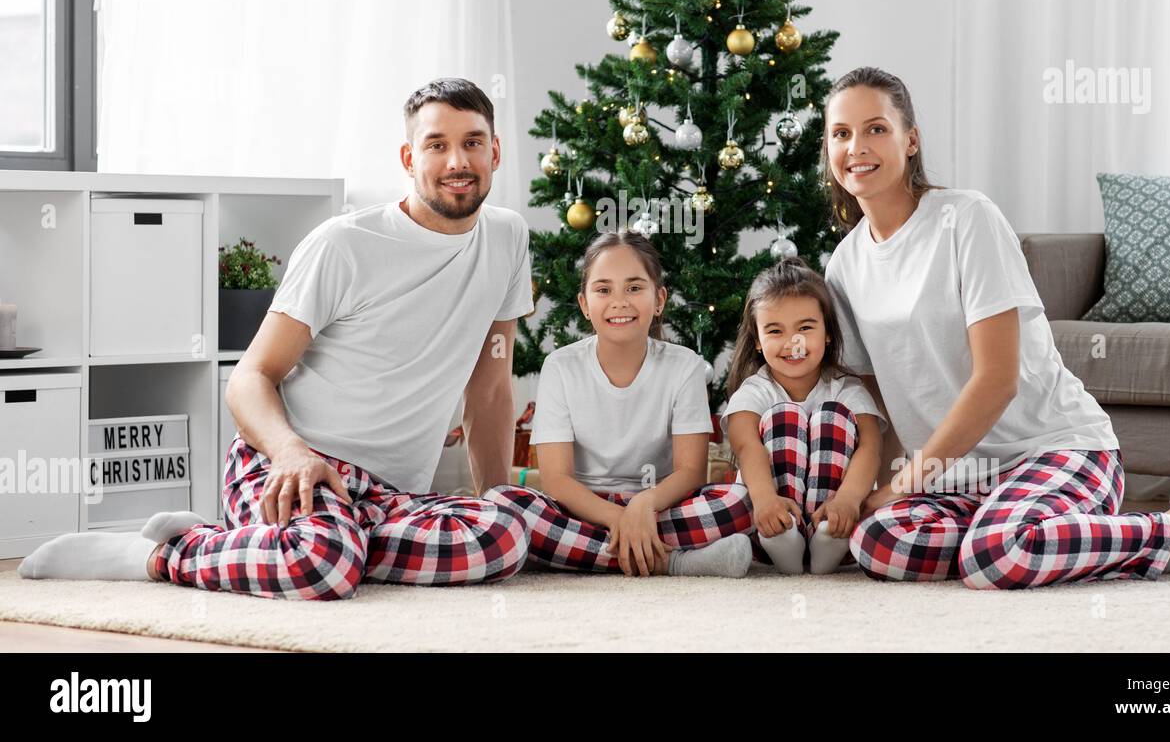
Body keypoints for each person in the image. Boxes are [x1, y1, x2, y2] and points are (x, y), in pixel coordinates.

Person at [21, 78, 536, 598]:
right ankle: (163, 551)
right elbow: (249, 377)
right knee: (321, 568)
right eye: (436, 145)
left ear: (494, 151)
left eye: (472, 142)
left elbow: (490, 389)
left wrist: (495, 501)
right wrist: (290, 452)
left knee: (509, 535)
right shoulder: (344, 245)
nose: (457, 162)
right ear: (408, 158)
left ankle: (332, 541)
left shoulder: (508, 237)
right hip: (288, 463)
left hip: (391, 494)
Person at [820, 66, 1170, 587]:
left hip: (1057, 449)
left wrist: (906, 483)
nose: (856, 146)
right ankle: (1062, 542)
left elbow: (997, 381)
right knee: (879, 543)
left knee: (996, 556)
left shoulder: (966, 219)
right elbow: (877, 403)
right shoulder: (844, 266)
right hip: (961, 479)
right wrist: (869, 496)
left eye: (876, 128)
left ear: (910, 141)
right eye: (841, 133)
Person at [484, 231, 753, 578]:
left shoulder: (685, 366)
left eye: (634, 288)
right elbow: (556, 480)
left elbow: (691, 472)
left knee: (740, 502)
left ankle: (581, 552)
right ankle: (670, 561)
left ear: (659, 300)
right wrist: (619, 519)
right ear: (584, 304)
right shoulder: (561, 367)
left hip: (659, 508)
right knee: (501, 502)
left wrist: (642, 505)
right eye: (604, 289)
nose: (619, 301)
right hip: (583, 509)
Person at [721, 257, 884, 574]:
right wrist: (766, 501)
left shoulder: (845, 389)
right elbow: (746, 447)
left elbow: (871, 447)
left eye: (805, 328)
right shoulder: (755, 391)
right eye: (774, 331)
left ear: (827, 333)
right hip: (767, 520)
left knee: (831, 415)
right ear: (757, 339)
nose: (792, 342)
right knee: (785, 417)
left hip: (840, 518)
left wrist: (848, 501)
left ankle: (828, 538)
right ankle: (785, 535)